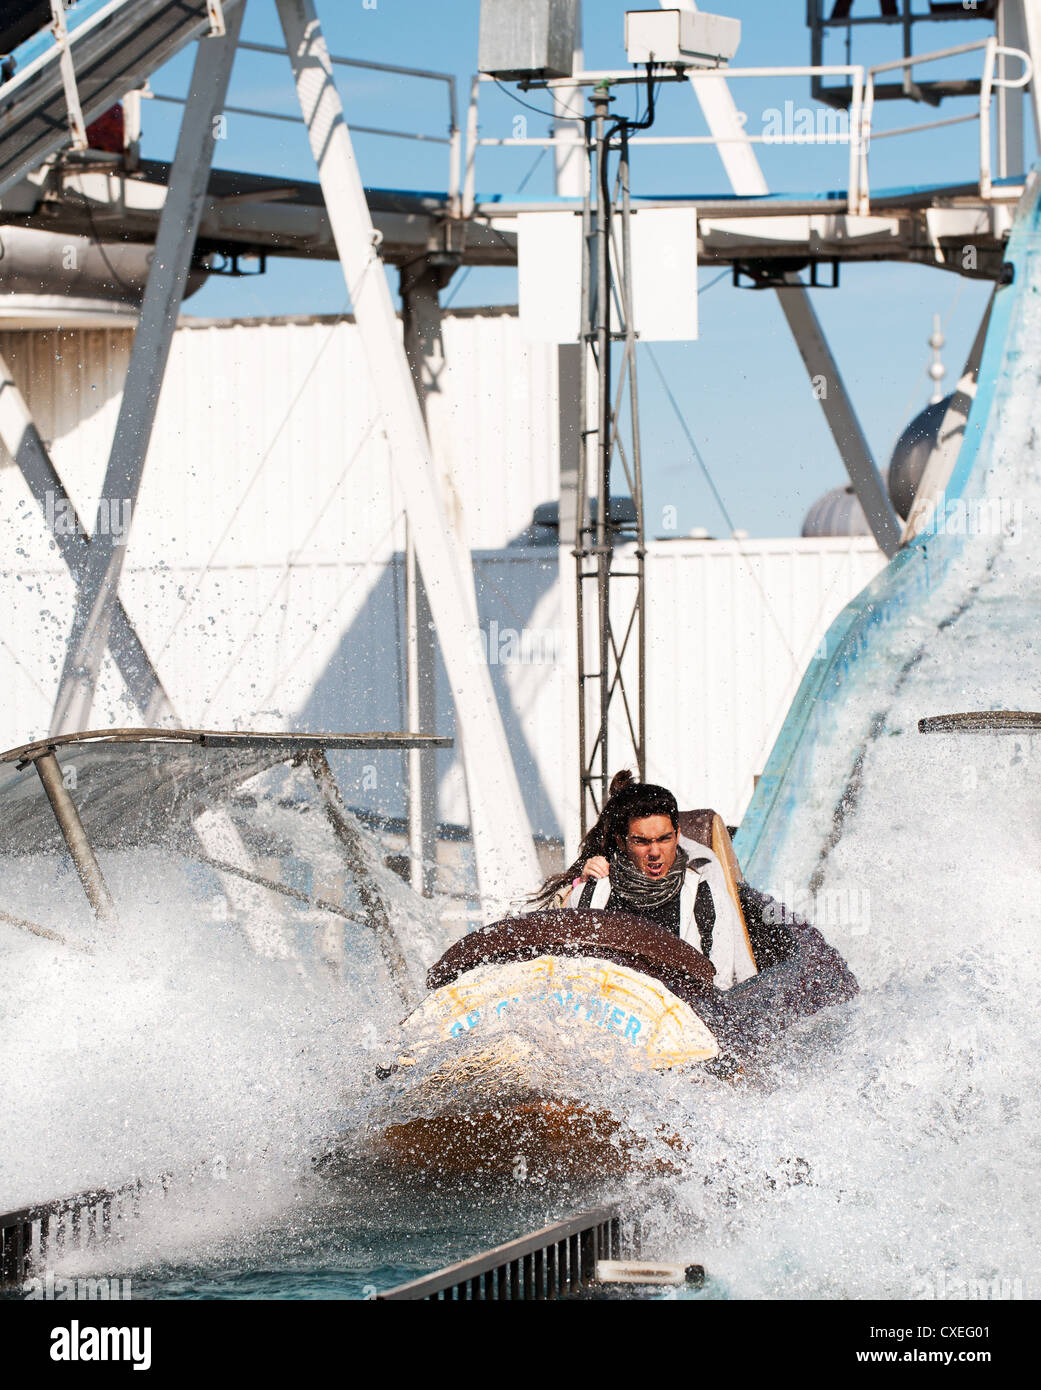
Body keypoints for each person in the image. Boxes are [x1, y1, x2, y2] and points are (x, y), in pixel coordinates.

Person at [531, 770, 758, 991]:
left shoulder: (707, 898)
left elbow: (720, 987)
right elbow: (554, 966)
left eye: (664, 839)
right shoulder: (589, 895)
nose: (655, 852)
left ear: (677, 835)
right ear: (622, 842)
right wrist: (576, 886)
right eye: (642, 842)